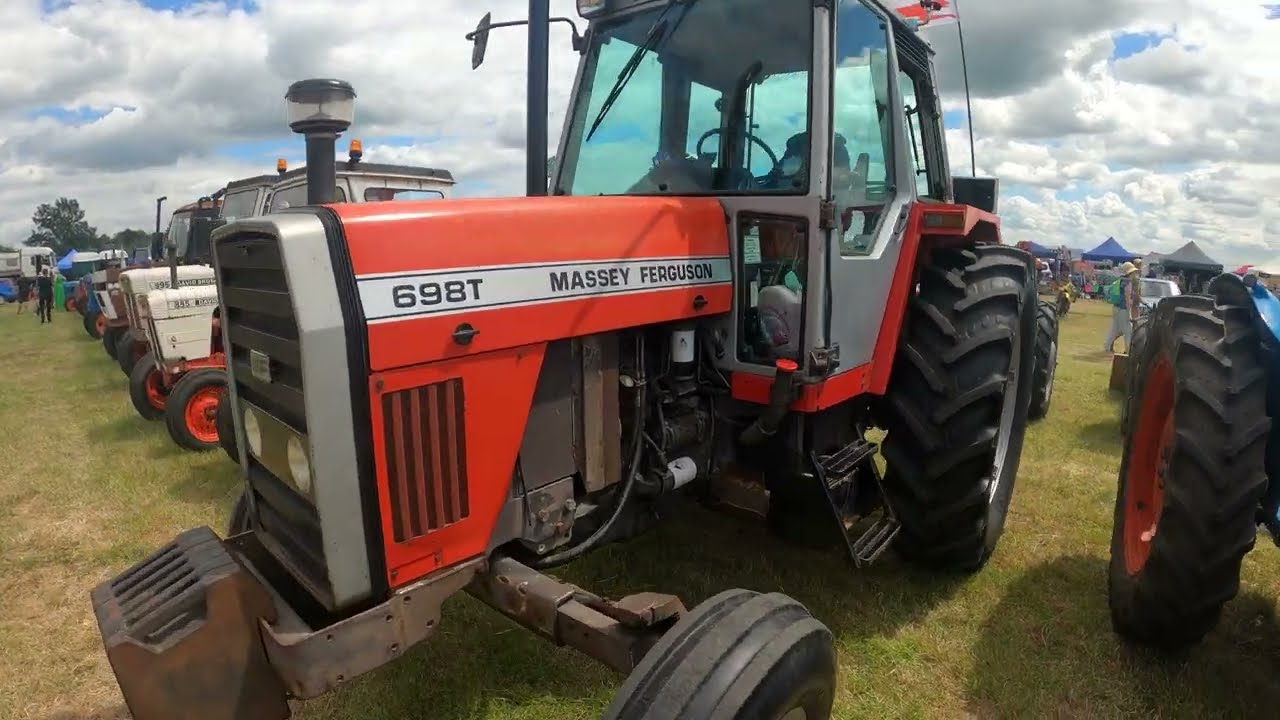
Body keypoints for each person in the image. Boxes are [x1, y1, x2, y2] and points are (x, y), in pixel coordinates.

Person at [1104, 261, 1141, 354]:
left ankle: (1107, 346)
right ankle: (1128, 350)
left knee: (1114, 329)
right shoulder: (1128, 282)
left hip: (1116, 307)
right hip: (1123, 309)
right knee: (1128, 330)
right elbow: (1127, 297)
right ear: (1130, 272)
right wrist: (1129, 312)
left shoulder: (1120, 281)